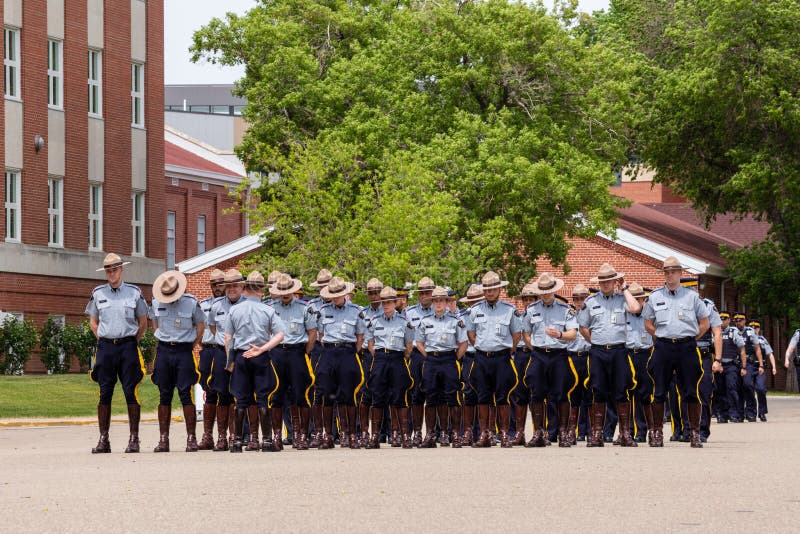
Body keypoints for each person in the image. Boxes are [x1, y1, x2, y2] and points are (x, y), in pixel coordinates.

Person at [641, 256, 710, 448]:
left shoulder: (692, 296)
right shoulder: (654, 297)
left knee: (690, 390)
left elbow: (705, 323)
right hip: (663, 347)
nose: (669, 275)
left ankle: (694, 433)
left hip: (686, 347)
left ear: (680, 274)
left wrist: (689, 338)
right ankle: (655, 433)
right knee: (659, 391)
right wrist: (662, 335)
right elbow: (647, 323)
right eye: (666, 272)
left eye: (673, 272)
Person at [86, 253, 148, 454]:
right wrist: (102, 339)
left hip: (128, 346)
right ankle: (104, 439)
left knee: (131, 391)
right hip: (106, 348)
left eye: (115, 269)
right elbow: (93, 321)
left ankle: (134, 439)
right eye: (108, 270)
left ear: (121, 270)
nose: (111, 273)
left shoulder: (134, 293)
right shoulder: (98, 293)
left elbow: (143, 323)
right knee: (104, 392)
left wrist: (131, 341)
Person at [577, 263, 641, 447]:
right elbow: (583, 327)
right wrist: (595, 341)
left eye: (609, 281)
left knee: (622, 391)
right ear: (598, 283)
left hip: (619, 351)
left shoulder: (622, 299)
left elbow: (636, 308)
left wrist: (626, 288)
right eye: (602, 281)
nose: (605, 284)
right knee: (598, 390)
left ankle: (625, 434)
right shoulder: (591, 302)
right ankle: (597, 434)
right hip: (598, 351)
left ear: (615, 281)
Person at [224, 275, 286, 453]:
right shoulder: (268, 310)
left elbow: (228, 338)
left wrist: (230, 360)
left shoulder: (234, 310)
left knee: (240, 399)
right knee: (263, 398)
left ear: (244, 289)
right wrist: (263, 348)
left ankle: (236, 442)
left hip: (241, 355)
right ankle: (266, 441)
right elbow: (280, 334)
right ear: (261, 290)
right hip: (259, 355)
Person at [149, 270, 206, 452]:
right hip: (164, 350)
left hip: (183, 351)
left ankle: (191, 438)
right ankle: (163, 440)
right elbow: (154, 323)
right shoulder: (156, 301)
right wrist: (162, 339)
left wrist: (191, 345)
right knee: (164, 394)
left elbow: (200, 326)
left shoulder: (191, 302)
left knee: (185, 393)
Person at [521, 273, 578, 447]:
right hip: (538, 355)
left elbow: (573, 334)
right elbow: (525, 333)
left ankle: (562, 432)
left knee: (561, 393)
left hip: (559, 355)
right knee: (536, 393)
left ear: (554, 290)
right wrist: (535, 347)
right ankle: (539, 432)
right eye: (543, 291)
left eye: (548, 291)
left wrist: (560, 334)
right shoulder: (531, 310)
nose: (545, 294)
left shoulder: (565, 310)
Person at [466, 271, 521, 448]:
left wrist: (505, 349)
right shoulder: (474, 310)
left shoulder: (509, 310)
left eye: (493, 289)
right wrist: (484, 346)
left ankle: (504, 434)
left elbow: (517, 335)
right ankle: (485, 434)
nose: (490, 292)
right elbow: (471, 334)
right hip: (482, 358)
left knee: (503, 397)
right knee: (482, 396)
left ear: (499, 290)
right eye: (487, 289)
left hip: (502, 358)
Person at [316, 277, 367, 449]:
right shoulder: (322, 310)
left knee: (349, 395)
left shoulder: (356, 310)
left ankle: (351, 435)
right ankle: (329, 436)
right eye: (333, 295)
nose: (336, 297)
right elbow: (321, 336)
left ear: (345, 294)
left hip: (348, 352)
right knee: (327, 395)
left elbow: (360, 337)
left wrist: (352, 352)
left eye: (339, 294)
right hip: (329, 352)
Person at [268, 273, 317, 449]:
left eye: (288, 290)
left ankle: (301, 435)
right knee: (276, 395)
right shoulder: (270, 308)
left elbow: (312, 333)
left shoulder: (305, 308)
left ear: (294, 289)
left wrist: (304, 351)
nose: (285, 294)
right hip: (277, 354)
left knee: (301, 395)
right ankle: (276, 436)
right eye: (282, 291)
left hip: (298, 353)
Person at [416, 286, 468, 448]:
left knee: (452, 398)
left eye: (442, 301)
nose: (438, 304)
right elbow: (419, 343)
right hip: (431, 361)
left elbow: (463, 344)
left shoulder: (455, 321)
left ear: (447, 302)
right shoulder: (425, 321)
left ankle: (452, 434)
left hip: (449, 360)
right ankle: (430, 434)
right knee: (431, 398)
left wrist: (453, 359)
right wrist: (430, 357)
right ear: (432, 303)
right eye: (436, 301)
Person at [365, 286, 415, 448]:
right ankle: (375, 437)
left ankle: (404, 436)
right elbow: (370, 344)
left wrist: (398, 357)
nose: (385, 305)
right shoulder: (374, 321)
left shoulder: (404, 322)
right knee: (377, 397)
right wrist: (380, 356)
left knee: (400, 397)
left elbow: (409, 346)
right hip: (379, 359)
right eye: (383, 302)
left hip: (397, 359)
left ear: (395, 303)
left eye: (389, 302)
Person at [205, 269, 247, 451]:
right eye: (228, 286)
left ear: (242, 286)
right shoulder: (216, 306)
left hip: (241, 352)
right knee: (222, 393)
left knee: (239, 394)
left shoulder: (248, 305)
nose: (231, 289)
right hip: (222, 352)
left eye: (235, 285)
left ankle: (235, 435)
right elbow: (213, 328)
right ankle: (222, 437)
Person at [404, 276, 436, 446]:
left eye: (428, 292)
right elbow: (406, 337)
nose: (424, 295)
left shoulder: (439, 310)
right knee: (416, 395)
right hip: (416, 356)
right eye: (422, 292)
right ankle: (416, 432)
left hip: (434, 356)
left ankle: (433, 432)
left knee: (433, 395)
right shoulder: (409, 312)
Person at [197, 269, 226, 449]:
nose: (216, 287)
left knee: (225, 393)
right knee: (208, 392)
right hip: (208, 350)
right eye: (213, 283)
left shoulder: (230, 304)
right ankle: (208, 436)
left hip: (224, 351)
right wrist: (202, 344)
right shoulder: (203, 304)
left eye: (220, 283)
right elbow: (199, 327)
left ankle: (224, 436)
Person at [624, 284, 654, 444]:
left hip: (645, 355)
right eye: (632, 299)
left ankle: (647, 430)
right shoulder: (624, 315)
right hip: (628, 355)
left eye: (638, 299)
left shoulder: (650, 316)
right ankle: (628, 432)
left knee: (645, 394)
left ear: (643, 300)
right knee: (627, 394)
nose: (635, 302)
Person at [307, 268, 333, 447]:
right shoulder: (311, 305)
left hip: (334, 350)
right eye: (321, 286)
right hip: (316, 349)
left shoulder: (344, 303)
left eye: (326, 285)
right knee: (317, 390)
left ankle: (335, 432)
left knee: (336, 390)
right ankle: (317, 431)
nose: (323, 288)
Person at [358, 278, 384, 447]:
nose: (374, 296)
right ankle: (364, 432)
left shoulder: (389, 311)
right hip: (366, 356)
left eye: (377, 292)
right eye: (371, 293)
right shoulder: (361, 313)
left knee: (382, 393)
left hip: (384, 356)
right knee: (365, 393)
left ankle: (384, 433)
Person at [456, 284, 484, 446]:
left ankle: (483, 431)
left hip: (484, 356)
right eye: (471, 301)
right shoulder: (463, 316)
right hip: (468, 357)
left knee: (485, 392)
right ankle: (467, 430)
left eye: (477, 301)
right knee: (467, 392)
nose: (473, 304)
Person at [511, 283, 537, 446]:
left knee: (537, 394)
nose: (527, 301)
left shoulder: (540, 315)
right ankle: (519, 432)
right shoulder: (517, 316)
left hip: (536, 354)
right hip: (520, 355)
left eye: (530, 299)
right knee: (519, 394)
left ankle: (538, 432)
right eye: (525, 299)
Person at [566, 285, 592, 444]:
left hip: (589, 355)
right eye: (576, 299)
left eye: (583, 298)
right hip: (572, 357)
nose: (580, 301)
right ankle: (573, 432)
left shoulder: (593, 313)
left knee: (589, 395)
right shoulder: (569, 315)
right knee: (573, 395)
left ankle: (590, 431)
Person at [716, 312, 747, 423]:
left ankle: (734, 413)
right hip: (719, 366)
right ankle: (723, 415)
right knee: (720, 390)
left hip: (731, 366)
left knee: (731, 389)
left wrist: (743, 367)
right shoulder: (715, 332)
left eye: (725, 319)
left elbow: (742, 350)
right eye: (720, 319)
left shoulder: (733, 332)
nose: (722, 321)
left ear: (729, 320)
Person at [733, 313, 764, 422]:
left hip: (749, 363)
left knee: (748, 385)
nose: (738, 322)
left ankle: (751, 411)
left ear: (745, 321)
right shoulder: (732, 331)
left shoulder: (750, 332)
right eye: (736, 320)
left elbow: (757, 349)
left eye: (740, 320)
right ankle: (739, 414)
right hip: (735, 363)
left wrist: (761, 364)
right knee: (737, 389)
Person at [750, 321, 776, 421]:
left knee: (761, 389)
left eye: (756, 327)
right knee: (748, 389)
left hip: (760, 368)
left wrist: (774, 367)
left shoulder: (762, 340)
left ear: (759, 329)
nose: (754, 329)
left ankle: (762, 412)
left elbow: (770, 354)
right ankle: (750, 413)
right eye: (751, 328)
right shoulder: (745, 338)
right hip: (748, 367)